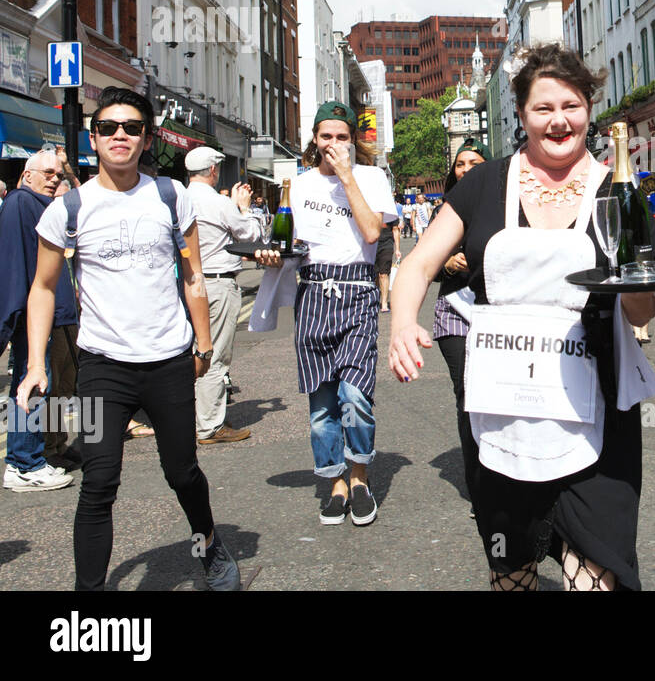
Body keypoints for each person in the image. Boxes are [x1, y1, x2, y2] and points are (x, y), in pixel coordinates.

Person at [389, 43, 655, 591]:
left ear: (589, 110)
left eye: (570, 105)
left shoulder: (618, 189)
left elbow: (643, 302)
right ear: (520, 115)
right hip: (503, 405)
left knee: (596, 572)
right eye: (543, 108)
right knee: (511, 570)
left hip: (598, 405)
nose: (558, 121)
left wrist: (640, 294)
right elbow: (418, 263)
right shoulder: (482, 184)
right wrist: (404, 321)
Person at [17, 86, 240, 590]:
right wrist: (35, 364)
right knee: (97, 483)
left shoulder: (171, 196)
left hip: (167, 362)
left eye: (132, 128)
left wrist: (203, 345)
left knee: (182, 472)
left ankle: (209, 542)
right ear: (93, 139)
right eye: (109, 128)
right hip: (103, 368)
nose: (120, 136)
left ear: (146, 138)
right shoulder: (67, 209)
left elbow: (194, 277)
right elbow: (42, 289)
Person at [254, 102, 398, 526]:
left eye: (342, 136)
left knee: (354, 396)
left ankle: (359, 476)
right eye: (325, 137)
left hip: (356, 290)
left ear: (353, 140)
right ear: (314, 140)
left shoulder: (371, 177)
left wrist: (348, 176)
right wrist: (270, 255)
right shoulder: (298, 187)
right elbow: (289, 248)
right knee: (321, 406)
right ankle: (334, 482)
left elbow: (373, 232)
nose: (333, 144)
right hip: (314, 293)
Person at [1, 151, 79, 490]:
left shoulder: (42, 205)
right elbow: (15, 263)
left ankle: (37, 456)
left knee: (46, 389)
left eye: (57, 175)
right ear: (26, 175)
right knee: (29, 387)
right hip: (32, 319)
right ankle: (23, 463)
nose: (53, 179)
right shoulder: (21, 203)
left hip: (52, 316)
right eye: (47, 173)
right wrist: (14, 315)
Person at [429, 139, 489, 507]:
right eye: (460, 163)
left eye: (474, 162)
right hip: (454, 310)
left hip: (494, 312)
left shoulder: (502, 206)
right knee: (468, 396)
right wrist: (447, 262)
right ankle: (478, 485)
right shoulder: (444, 210)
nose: (466, 168)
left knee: (496, 396)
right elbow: (425, 263)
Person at [185, 147, 258, 445]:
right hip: (217, 283)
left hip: (187, 284)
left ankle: (191, 415)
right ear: (213, 171)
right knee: (215, 354)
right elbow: (251, 235)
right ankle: (210, 426)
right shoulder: (219, 203)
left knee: (192, 350)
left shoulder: (178, 198)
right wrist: (244, 207)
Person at [375, 213, 400, 313]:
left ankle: (384, 303)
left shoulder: (391, 213)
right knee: (375, 275)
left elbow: (395, 230)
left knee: (383, 274)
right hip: (372, 244)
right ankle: (376, 299)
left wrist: (397, 249)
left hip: (387, 244)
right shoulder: (371, 209)